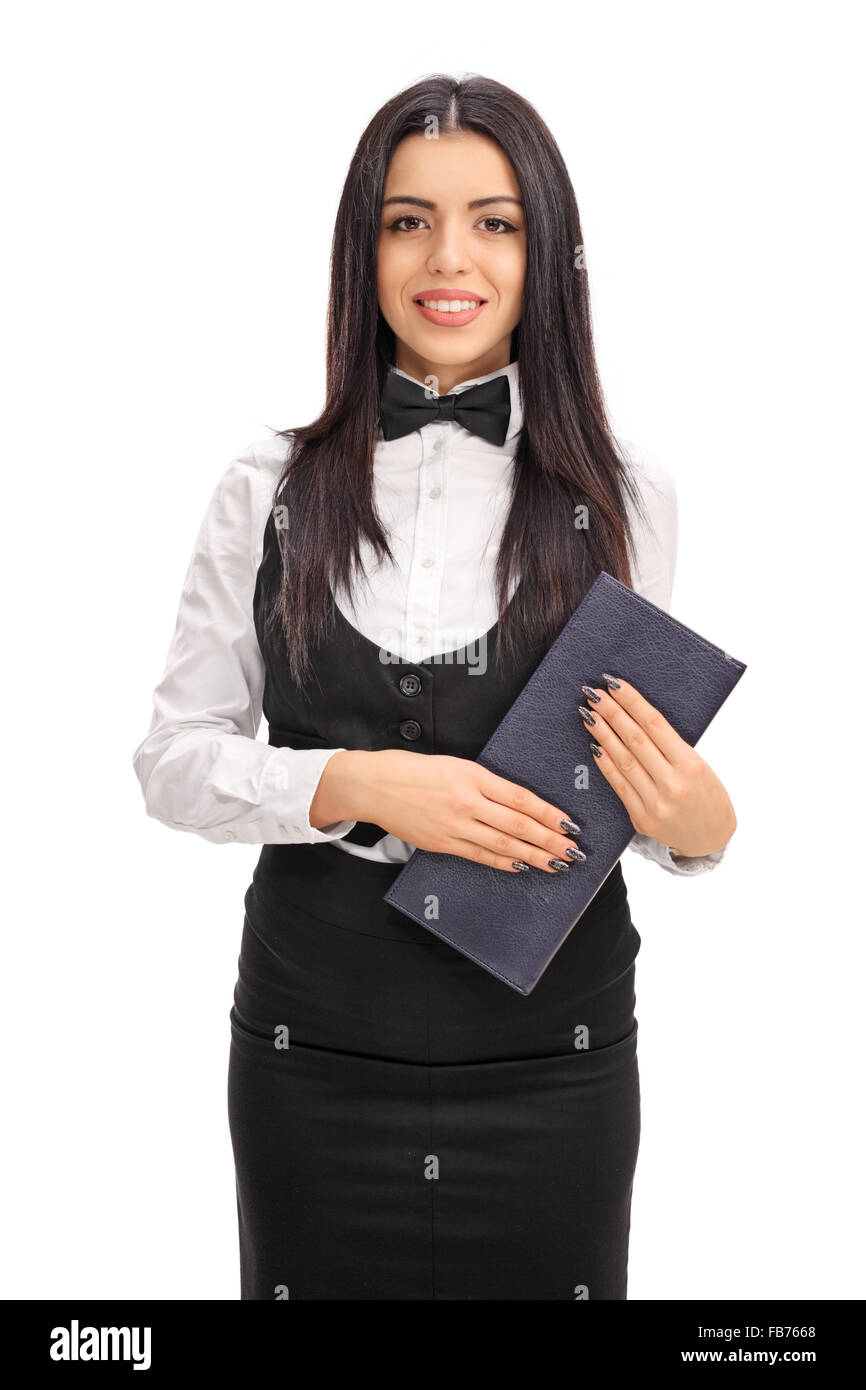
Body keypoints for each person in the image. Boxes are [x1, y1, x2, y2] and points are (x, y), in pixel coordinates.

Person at [132, 73, 737, 1300]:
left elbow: (631, 787)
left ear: (546, 252)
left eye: (493, 222)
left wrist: (699, 830)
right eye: (407, 220)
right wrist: (350, 783)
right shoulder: (267, 486)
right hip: (313, 1055)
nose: (446, 257)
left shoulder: (626, 489)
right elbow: (173, 762)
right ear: (363, 248)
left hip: (552, 1060)